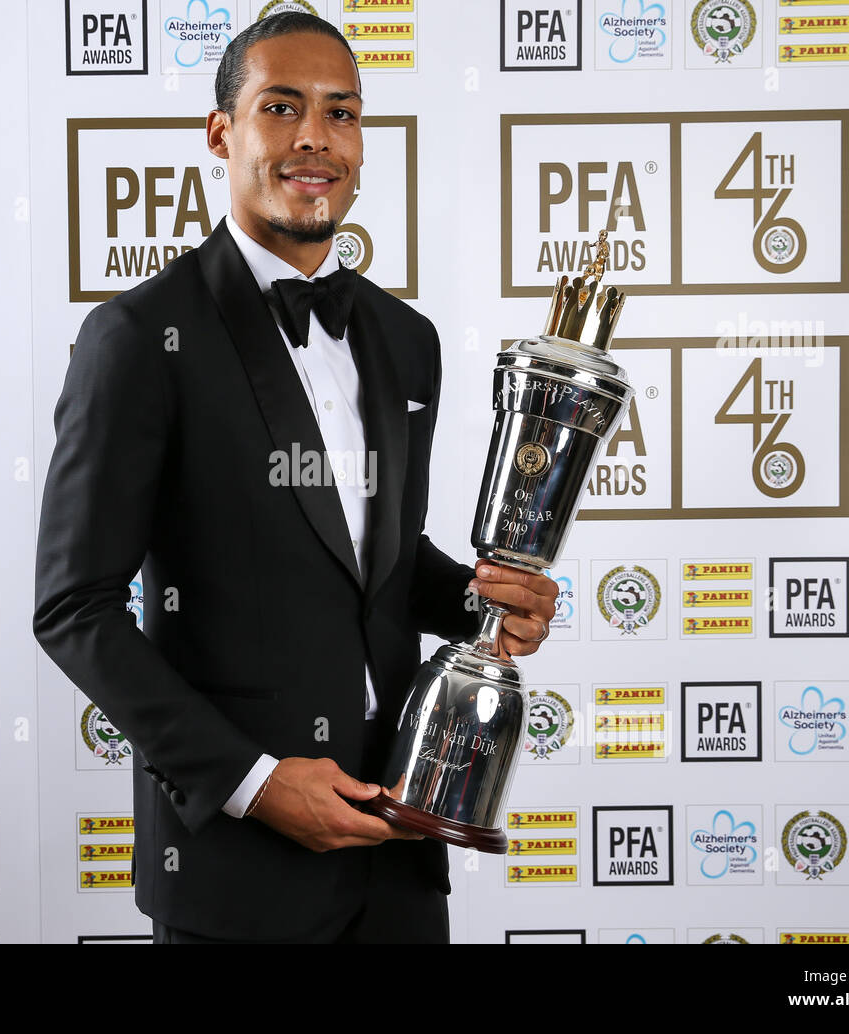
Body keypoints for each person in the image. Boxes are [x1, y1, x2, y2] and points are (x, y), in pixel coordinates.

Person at [33, 11, 557, 944]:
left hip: (399, 840)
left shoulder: (407, 340)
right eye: (282, 107)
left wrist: (483, 600)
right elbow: (75, 607)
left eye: (342, 113)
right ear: (222, 132)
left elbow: (376, 561)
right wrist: (253, 784)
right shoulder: (140, 338)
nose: (316, 136)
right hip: (237, 868)